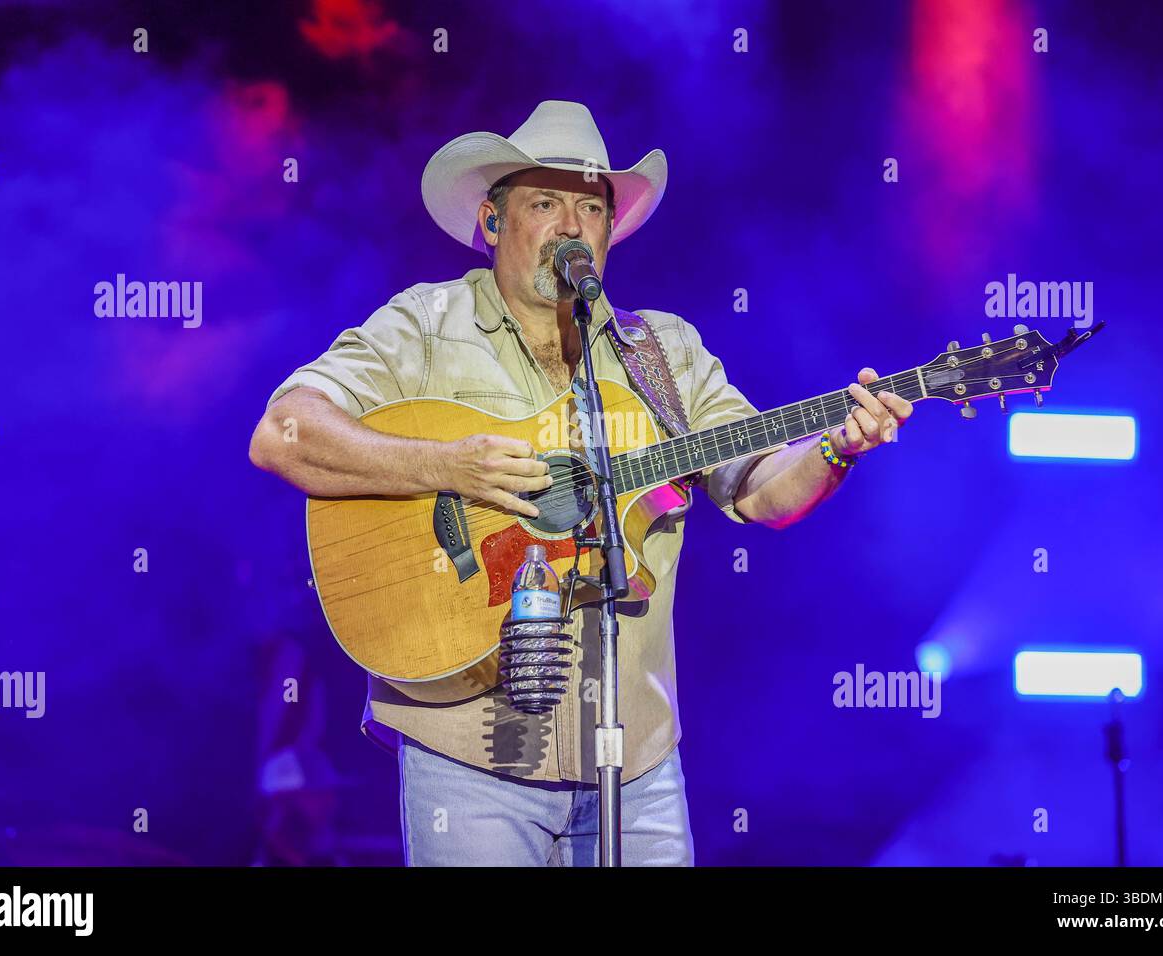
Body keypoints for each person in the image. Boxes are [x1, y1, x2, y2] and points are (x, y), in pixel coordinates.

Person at [249, 100, 914, 866]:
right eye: (544, 203)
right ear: (495, 223)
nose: (572, 225)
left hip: (638, 761)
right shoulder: (425, 325)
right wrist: (443, 466)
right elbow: (283, 434)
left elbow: (761, 491)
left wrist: (835, 449)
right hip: (471, 756)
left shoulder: (659, 351)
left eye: (591, 207)